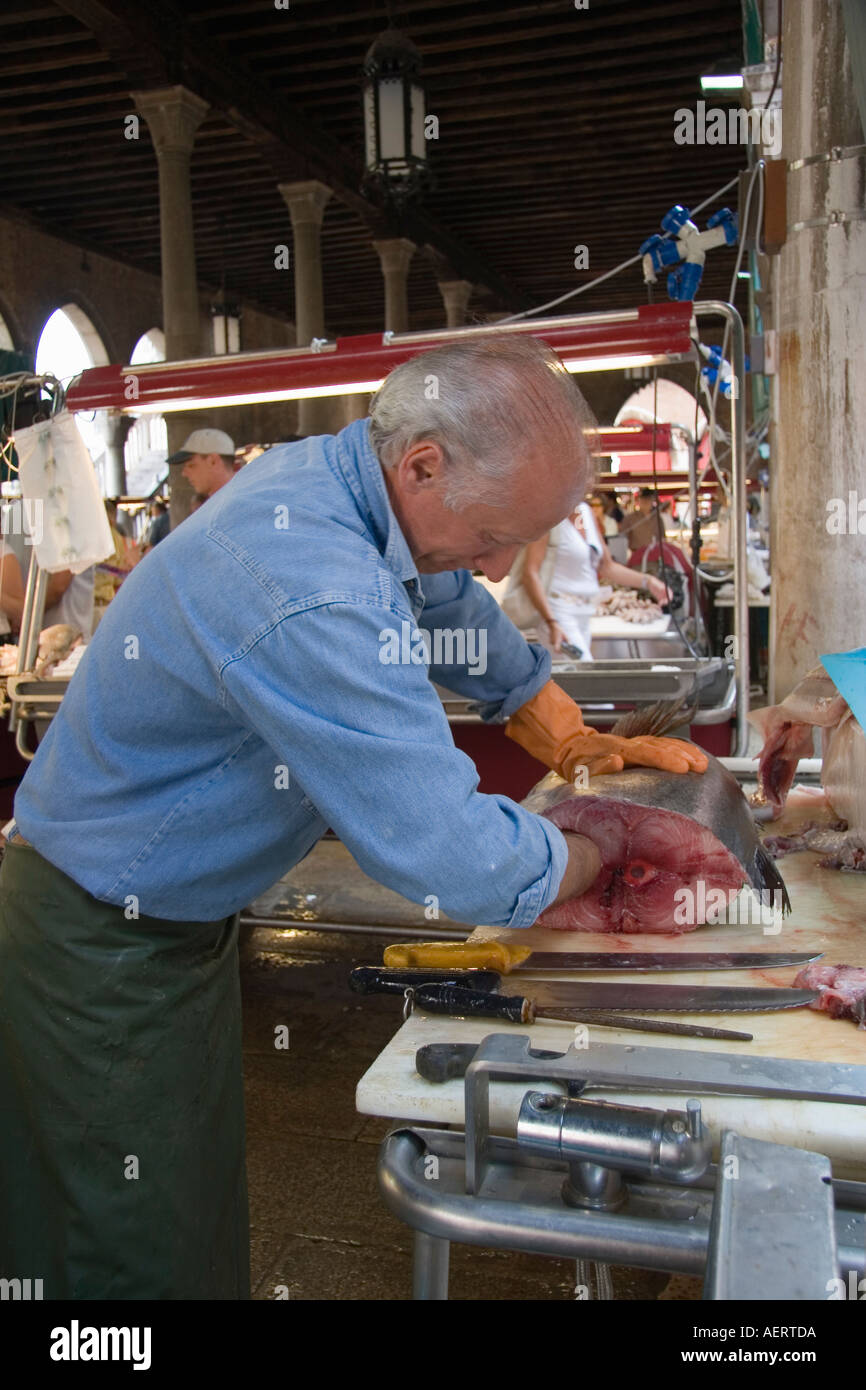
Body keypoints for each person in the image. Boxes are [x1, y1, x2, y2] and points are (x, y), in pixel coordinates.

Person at [0, 336, 707, 1299]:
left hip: (169, 919)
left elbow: (449, 592)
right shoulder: (311, 583)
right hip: (96, 937)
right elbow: (449, 854)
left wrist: (556, 722)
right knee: (132, 1239)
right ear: (422, 463)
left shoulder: (352, 478)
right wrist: (608, 843)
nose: (501, 565)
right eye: (498, 533)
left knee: (171, 1201)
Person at [518, 498, 671, 660]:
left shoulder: (586, 512)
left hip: (584, 614)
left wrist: (648, 581)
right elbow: (530, 573)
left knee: (577, 678)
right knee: (582, 675)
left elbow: (607, 567)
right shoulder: (549, 514)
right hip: (558, 612)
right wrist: (551, 621)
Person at [169, 427, 237, 503]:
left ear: (213, 461)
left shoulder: (239, 503)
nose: (184, 474)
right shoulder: (222, 502)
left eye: (191, 465)